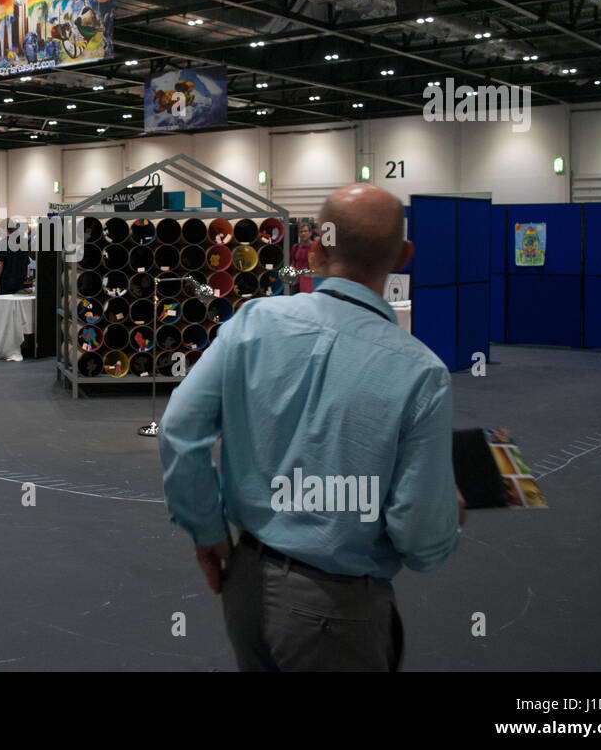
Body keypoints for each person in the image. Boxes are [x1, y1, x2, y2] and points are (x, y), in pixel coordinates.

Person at [158, 183, 464, 672]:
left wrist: (207, 530)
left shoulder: (251, 322)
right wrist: (448, 512)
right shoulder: (420, 373)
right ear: (404, 256)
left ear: (316, 249)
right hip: (338, 612)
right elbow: (420, 538)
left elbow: (178, 429)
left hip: (246, 586)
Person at [0, 220, 31, 295]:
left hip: (6, 281)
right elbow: (27, 262)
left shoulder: (3, 243)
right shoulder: (24, 242)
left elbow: (0, 263)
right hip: (20, 280)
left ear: (5, 229)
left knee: (5, 305)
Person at [289, 220, 317, 294]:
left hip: (312, 283)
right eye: (301, 232)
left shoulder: (316, 248)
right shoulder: (295, 247)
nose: (303, 233)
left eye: (305, 231)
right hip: (297, 284)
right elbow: (293, 263)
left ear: (310, 233)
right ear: (298, 234)